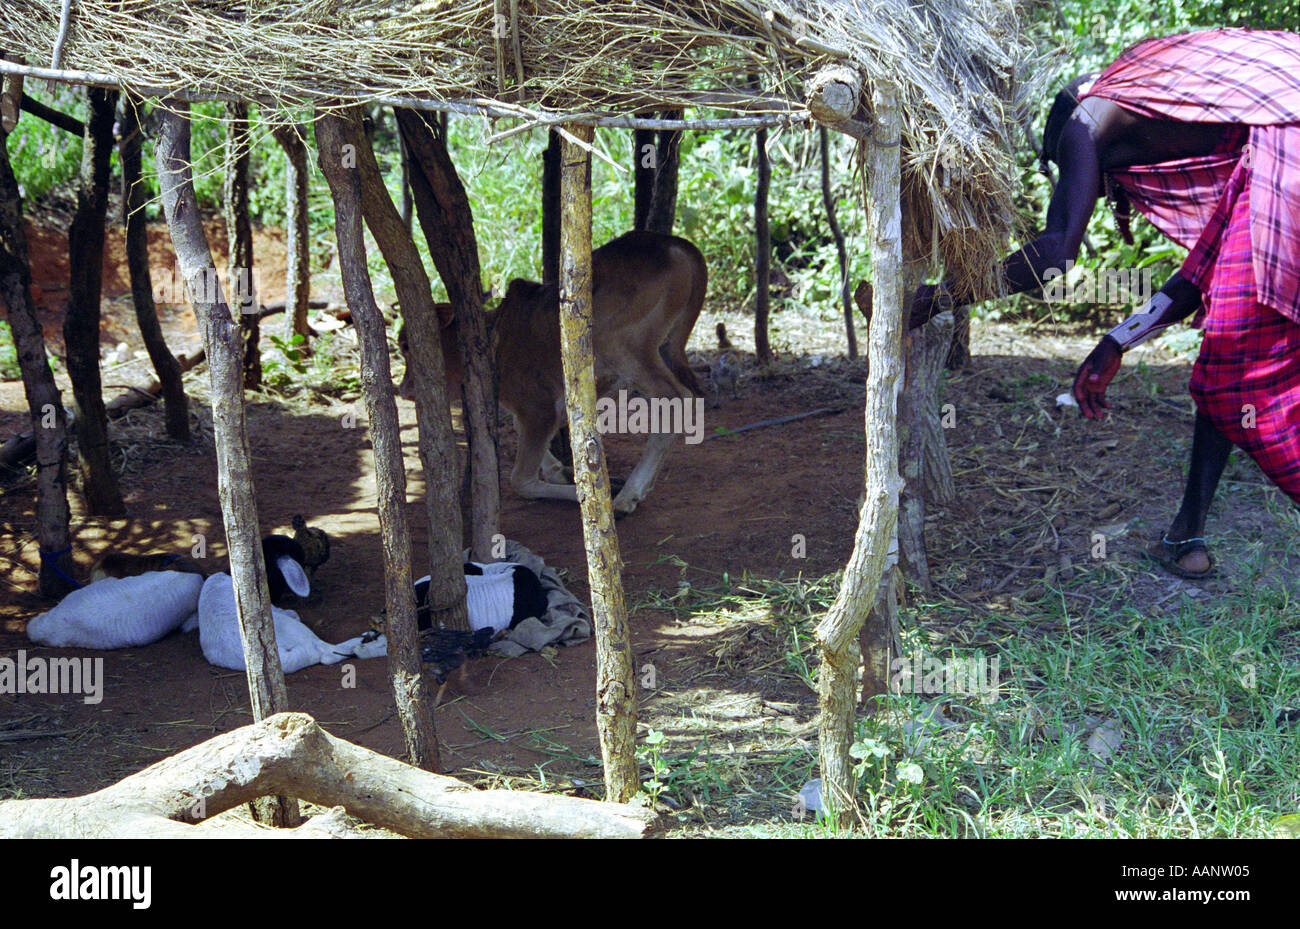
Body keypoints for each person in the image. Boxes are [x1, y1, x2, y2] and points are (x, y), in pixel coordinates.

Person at [908, 28, 1300, 578]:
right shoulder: (1239, 142)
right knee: (1223, 359)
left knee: (1232, 382)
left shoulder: (1084, 123)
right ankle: (1185, 536)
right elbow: (1196, 278)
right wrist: (1117, 341)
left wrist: (939, 298)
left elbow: (1054, 256)